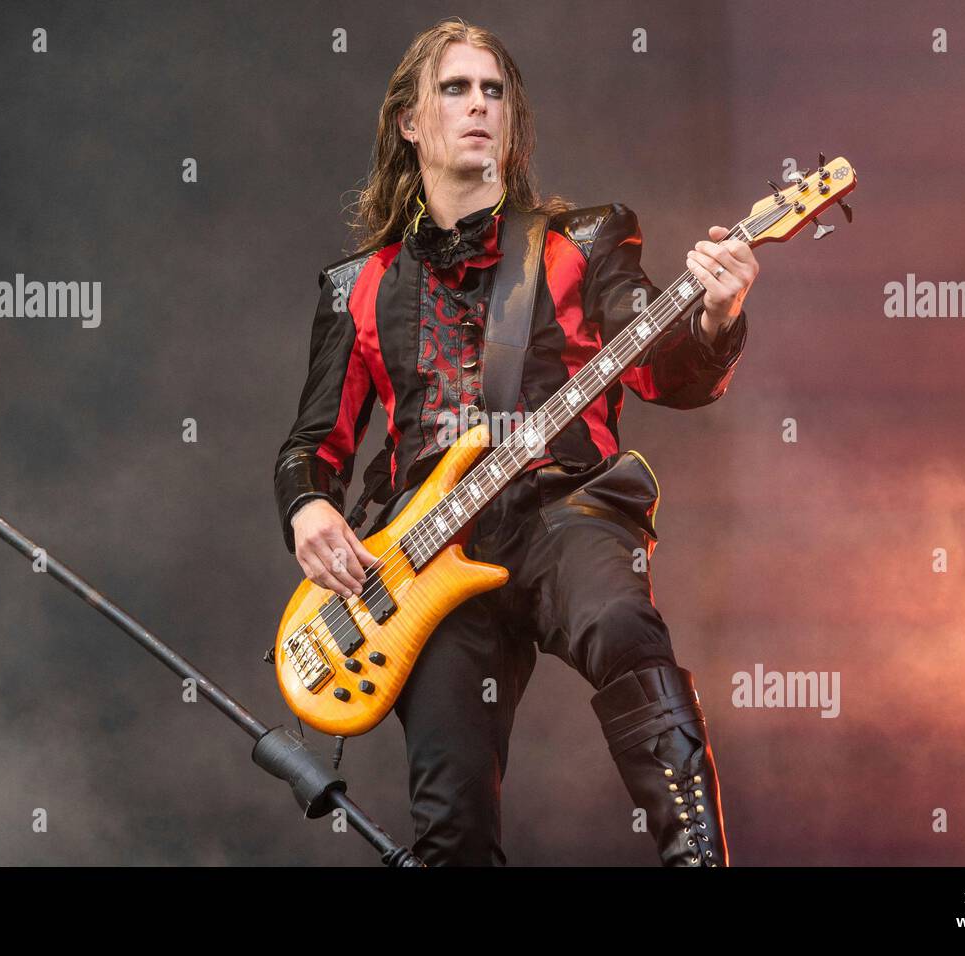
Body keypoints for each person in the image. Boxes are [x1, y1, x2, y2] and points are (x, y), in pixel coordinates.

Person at [274, 18, 759, 866]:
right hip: (421, 560)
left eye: (493, 90)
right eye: (455, 89)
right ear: (409, 122)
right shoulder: (358, 288)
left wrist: (716, 313)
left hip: (561, 507)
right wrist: (309, 507)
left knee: (620, 622)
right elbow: (311, 446)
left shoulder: (584, 241)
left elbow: (664, 374)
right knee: (452, 818)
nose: (478, 106)